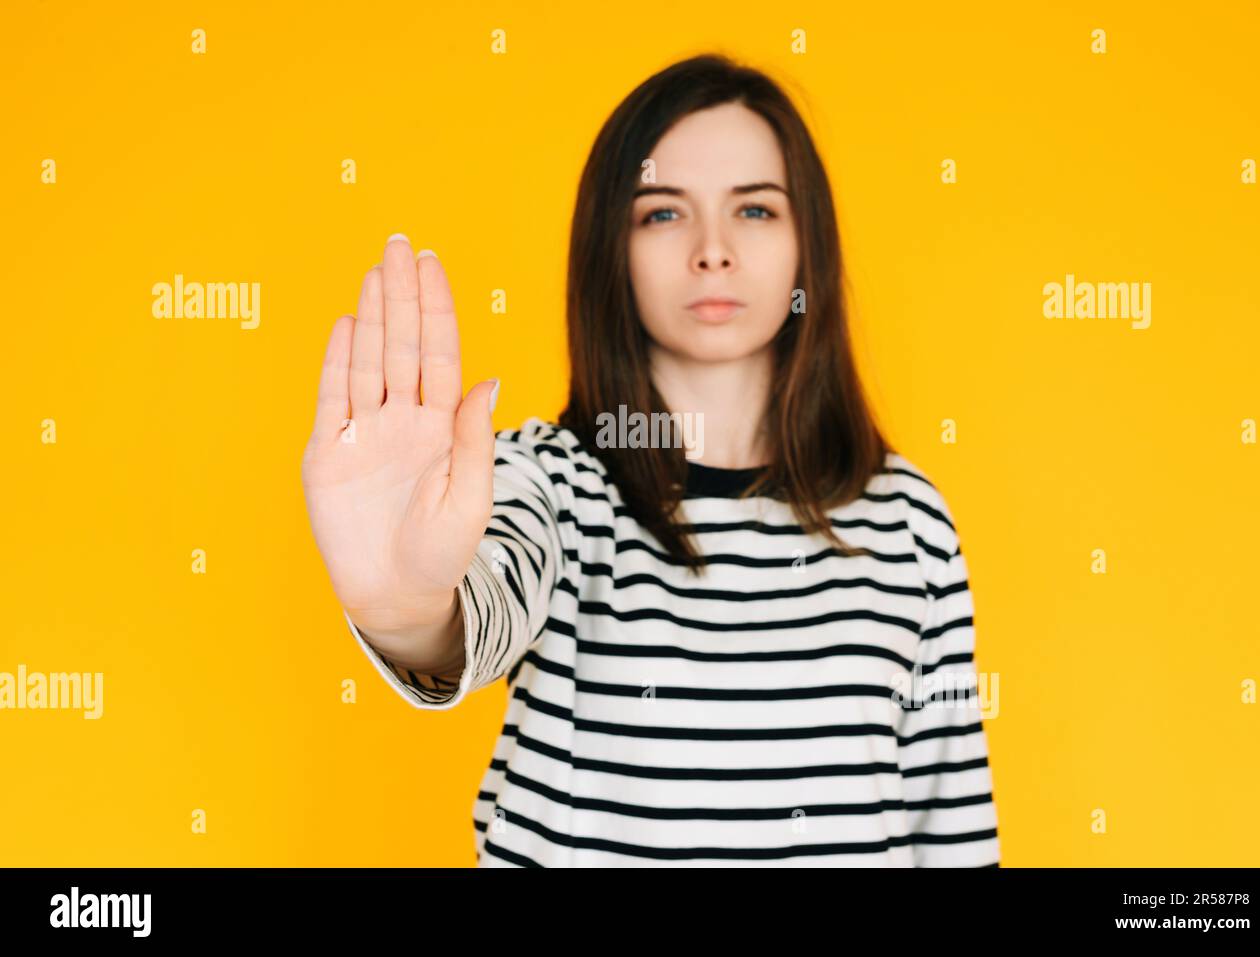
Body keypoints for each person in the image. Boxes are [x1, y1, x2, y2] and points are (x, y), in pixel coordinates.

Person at [301, 53, 1000, 867]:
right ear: (613, 248)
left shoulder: (911, 521)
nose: (712, 250)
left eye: (757, 211)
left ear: (811, 243)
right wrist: (406, 609)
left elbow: (950, 824)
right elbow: (476, 613)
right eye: (664, 214)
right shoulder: (548, 485)